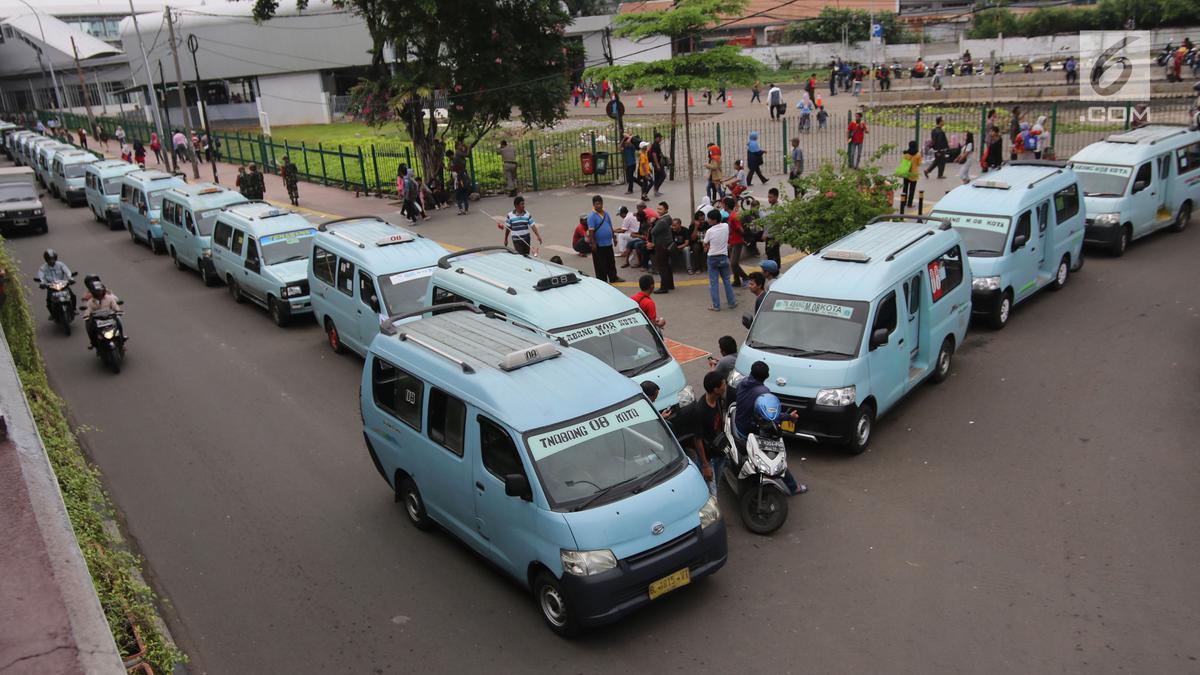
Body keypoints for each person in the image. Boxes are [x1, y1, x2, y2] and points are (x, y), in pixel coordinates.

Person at [734, 361, 806, 495]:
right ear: (766, 376)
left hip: (739, 425)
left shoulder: (743, 383)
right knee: (778, 457)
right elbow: (772, 417)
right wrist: (789, 417)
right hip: (750, 430)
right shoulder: (763, 392)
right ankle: (793, 487)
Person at [703, 209, 737, 311]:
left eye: (709, 219)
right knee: (727, 281)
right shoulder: (726, 226)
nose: (708, 220)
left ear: (713, 220)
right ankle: (732, 302)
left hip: (712, 257)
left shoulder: (710, 231)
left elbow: (705, 242)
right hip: (723, 256)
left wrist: (707, 246)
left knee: (714, 283)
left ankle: (716, 305)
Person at [587, 195, 621, 283]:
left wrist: (614, 237)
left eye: (600, 203)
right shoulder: (591, 216)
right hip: (599, 244)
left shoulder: (606, 214)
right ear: (593, 204)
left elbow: (610, 226)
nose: (598, 205)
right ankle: (602, 280)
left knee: (611, 262)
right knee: (600, 264)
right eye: (596, 204)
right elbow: (591, 231)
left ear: (602, 203)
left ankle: (614, 277)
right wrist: (593, 243)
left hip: (608, 243)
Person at [82, 277, 121, 347]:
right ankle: (94, 343)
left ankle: (121, 340)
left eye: (100, 291)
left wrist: (118, 311)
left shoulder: (109, 297)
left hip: (110, 318)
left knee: (119, 322)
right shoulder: (90, 301)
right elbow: (88, 309)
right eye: (97, 292)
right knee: (89, 327)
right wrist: (86, 316)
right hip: (98, 321)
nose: (99, 294)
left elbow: (114, 305)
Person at [37, 249, 73, 317]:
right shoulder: (43, 268)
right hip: (51, 287)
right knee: (48, 302)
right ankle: (52, 314)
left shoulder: (60, 264)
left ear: (55, 258)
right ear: (46, 259)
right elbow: (40, 275)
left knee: (72, 296)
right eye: (49, 259)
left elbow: (67, 271)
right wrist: (42, 282)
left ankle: (73, 309)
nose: (51, 261)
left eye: (53, 259)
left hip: (62, 285)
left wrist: (70, 278)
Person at [647, 202, 674, 293]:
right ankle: (670, 284)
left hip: (661, 246)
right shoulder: (667, 218)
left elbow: (653, 231)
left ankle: (664, 287)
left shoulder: (662, 221)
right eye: (658, 209)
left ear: (666, 210)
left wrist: (653, 222)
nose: (658, 211)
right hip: (666, 245)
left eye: (660, 209)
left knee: (662, 267)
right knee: (667, 266)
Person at [725, 196, 748, 287]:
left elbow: (740, 229)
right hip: (732, 242)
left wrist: (742, 238)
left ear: (726, 206)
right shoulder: (731, 216)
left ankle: (745, 277)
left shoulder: (734, 217)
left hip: (737, 242)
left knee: (733, 263)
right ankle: (736, 280)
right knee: (733, 263)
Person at [761, 189, 782, 265]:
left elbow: (779, 224)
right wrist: (764, 233)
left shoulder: (779, 208)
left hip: (774, 236)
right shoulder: (772, 206)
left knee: (774, 255)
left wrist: (778, 237)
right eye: (768, 197)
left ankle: (775, 271)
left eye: (771, 197)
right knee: (770, 254)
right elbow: (768, 222)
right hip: (769, 235)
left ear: (776, 197)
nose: (769, 199)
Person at [898, 141, 921, 209]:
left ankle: (903, 202)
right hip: (914, 174)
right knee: (912, 190)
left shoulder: (906, 154)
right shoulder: (918, 155)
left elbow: (903, 163)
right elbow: (919, 164)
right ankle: (910, 203)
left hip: (906, 173)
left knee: (905, 188)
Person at [448, 150, 470, 215]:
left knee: (459, 197)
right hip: (462, 183)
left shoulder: (456, 167)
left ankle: (462, 209)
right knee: (463, 197)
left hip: (459, 183)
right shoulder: (463, 166)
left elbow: (453, 172)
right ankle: (464, 210)